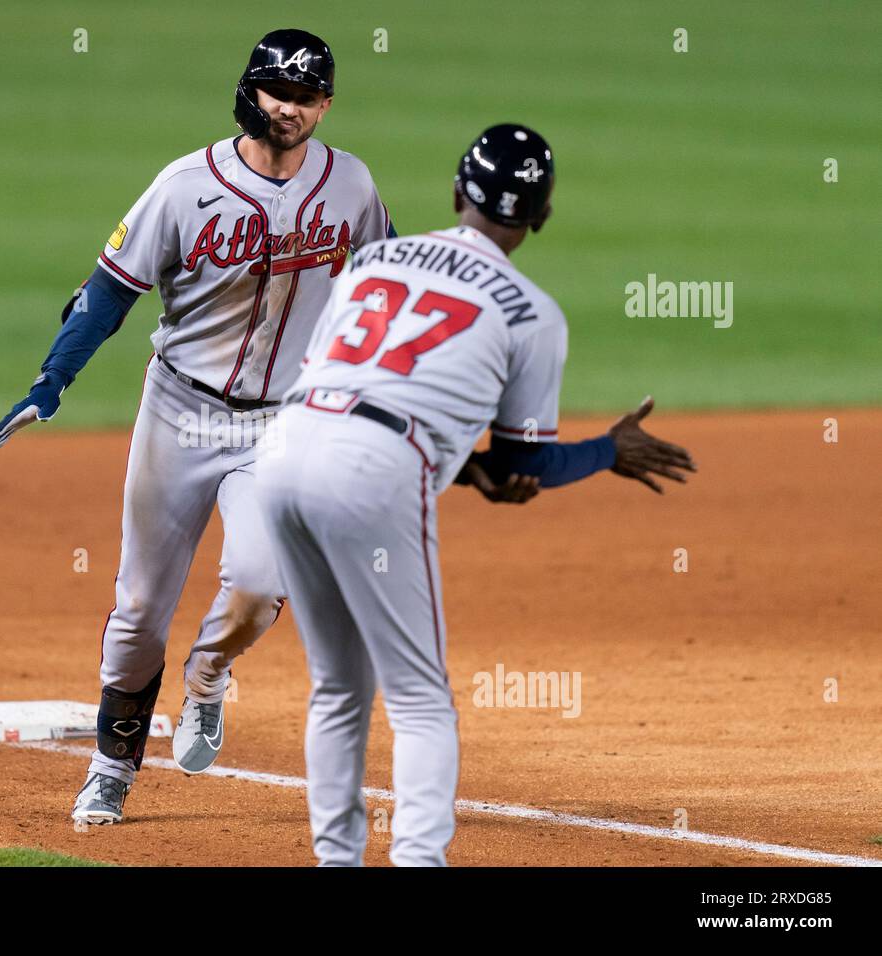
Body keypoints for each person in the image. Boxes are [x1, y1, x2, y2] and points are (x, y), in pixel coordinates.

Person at [0, 29, 397, 825]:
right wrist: (53, 378)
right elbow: (108, 292)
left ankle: (207, 680)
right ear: (251, 91)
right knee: (140, 607)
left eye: (308, 98)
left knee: (260, 584)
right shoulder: (183, 186)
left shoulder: (351, 185)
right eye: (280, 93)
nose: (292, 110)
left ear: (327, 106)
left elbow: (382, 284)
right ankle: (111, 766)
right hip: (181, 412)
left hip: (283, 426)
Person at [256, 123, 696, 865]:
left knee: (337, 685)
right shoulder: (533, 312)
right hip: (373, 470)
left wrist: (473, 469)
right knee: (422, 701)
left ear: (458, 193)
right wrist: (606, 450)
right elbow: (527, 464)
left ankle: (337, 862)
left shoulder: (375, 259)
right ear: (541, 217)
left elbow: (352, 386)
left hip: (284, 447)